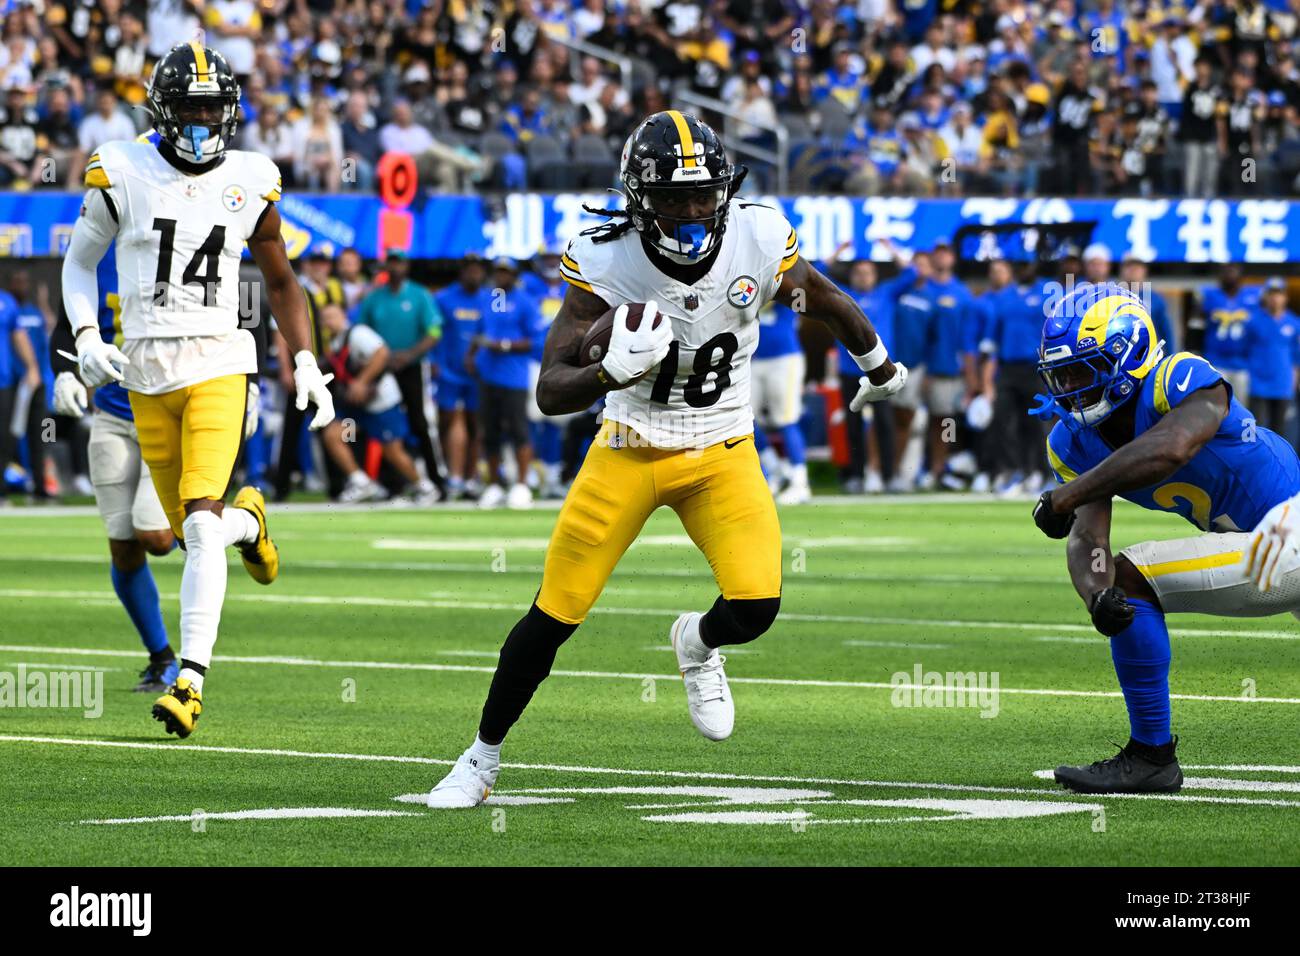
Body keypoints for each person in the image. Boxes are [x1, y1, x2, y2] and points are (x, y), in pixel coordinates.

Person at [426, 111, 905, 808]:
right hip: (628, 447)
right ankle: (479, 759)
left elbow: (823, 299)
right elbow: (549, 390)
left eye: (702, 194)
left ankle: (696, 643)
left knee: (757, 606)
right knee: (553, 616)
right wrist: (606, 373)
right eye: (673, 198)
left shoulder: (758, 234)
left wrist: (878, 364)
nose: (690, 211)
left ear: (725, 189)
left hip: (723, 448)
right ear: (637, 198)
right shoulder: (605, 258)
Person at [61, 43, 334, 738]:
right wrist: (88, 335)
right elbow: (79, 261)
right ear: (164, 109)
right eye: (191, 107)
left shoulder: (250, 177)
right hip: (145, 373)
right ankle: (256, 525)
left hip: (219, 363)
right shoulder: (122, 168)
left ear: (231, 111)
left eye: (213, 107)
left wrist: (304, 358)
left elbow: (281, 281)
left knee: (199, 520)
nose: (203, 119)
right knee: (188, 535)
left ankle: (190, 679)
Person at [1031, 282, 1300, 793]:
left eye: (1079, 372)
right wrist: (1096, 594)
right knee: (1119, 582)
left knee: (1137, 575)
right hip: (1269, 546)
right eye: (1059, 375)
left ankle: (1152, 755)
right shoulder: (1072, 440)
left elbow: (1171, 447)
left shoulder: (1177, 378)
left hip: (1288, 529)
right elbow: (1088, 538)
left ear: (1124, 354)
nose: (1067, 388)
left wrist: (1064, 497)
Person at [49, 227, 181, 689]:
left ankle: (237, 523)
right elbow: (67, 324)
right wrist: (64, 372)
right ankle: (162, 656)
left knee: (157, 537)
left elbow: (234, 315)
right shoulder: (95, 254)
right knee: (123, 545)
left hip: (166, 411)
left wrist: (246, 383)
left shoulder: (179, 243)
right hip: (110, 413)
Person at [320, 304, 437, 504]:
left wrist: (362, 382)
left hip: (382, 402)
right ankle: (361, 482)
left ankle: (425, 487)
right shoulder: (335, 343)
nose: (329, 321)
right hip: (357, 407)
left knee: (392, 450)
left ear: (343, 316)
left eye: (333, 316)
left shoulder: (358, 333)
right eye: (325, 318)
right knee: (334, 434)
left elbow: (382, 353)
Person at [357, 250, 442, 495]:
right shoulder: (374, 298)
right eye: (391, 262)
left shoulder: (419, 294)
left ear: (406, 266)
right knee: (385, 422)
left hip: (411, 367)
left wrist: (410, 354)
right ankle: (391, 483)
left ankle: (435, 480)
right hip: (382, 369)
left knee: (419, 422)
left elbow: (434, 331)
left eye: (399, 262)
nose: (395, 267)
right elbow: (362, 331)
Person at [469, 258, 537, 510]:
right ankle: (494, 485)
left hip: (514, 376)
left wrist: (506, 345)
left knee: (518, 429)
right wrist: (470, 356)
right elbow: (479, 331)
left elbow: (536, 339)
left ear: (514, 275)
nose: (501, 276)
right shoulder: (486, 298)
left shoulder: (525, 301)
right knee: (490, 432)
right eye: (498, 272)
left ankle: (521, 484)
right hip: (488, 374)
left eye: (506, 272)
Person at [434, 256, 490, 499]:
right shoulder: (444, 298)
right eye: (470, 270)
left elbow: (492, 332)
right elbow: (435, 332)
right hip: (449, 372)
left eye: (478, 270)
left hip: (478, 374)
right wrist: (435, 362)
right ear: (462, 272)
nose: (474, 275)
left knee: (475, 424)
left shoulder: (490, 299)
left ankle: (469, 477)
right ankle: (454, 476)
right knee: (450, 421)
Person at [752, 299, 809, 504]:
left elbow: (814, 270)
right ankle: (774, 469)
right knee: (744, 420)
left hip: (784, 358)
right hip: (751, 357)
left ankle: (800, 482)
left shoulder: (784, 277)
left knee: (786, 418)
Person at [1245, 279, 1299, 440]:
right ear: (1266, 297)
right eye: (1272, 294)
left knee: (1280, 431)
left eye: (1279, 294)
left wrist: (1294, 383)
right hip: (1258, 384)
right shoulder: (1253, 321)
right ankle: (1255, 464)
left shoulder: (1294, 323)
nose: (1275, 298)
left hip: (1282, 384)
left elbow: (1297, 357)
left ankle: (1277, 465)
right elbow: (1244, 349)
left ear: (1285, 298)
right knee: (1256, 429)